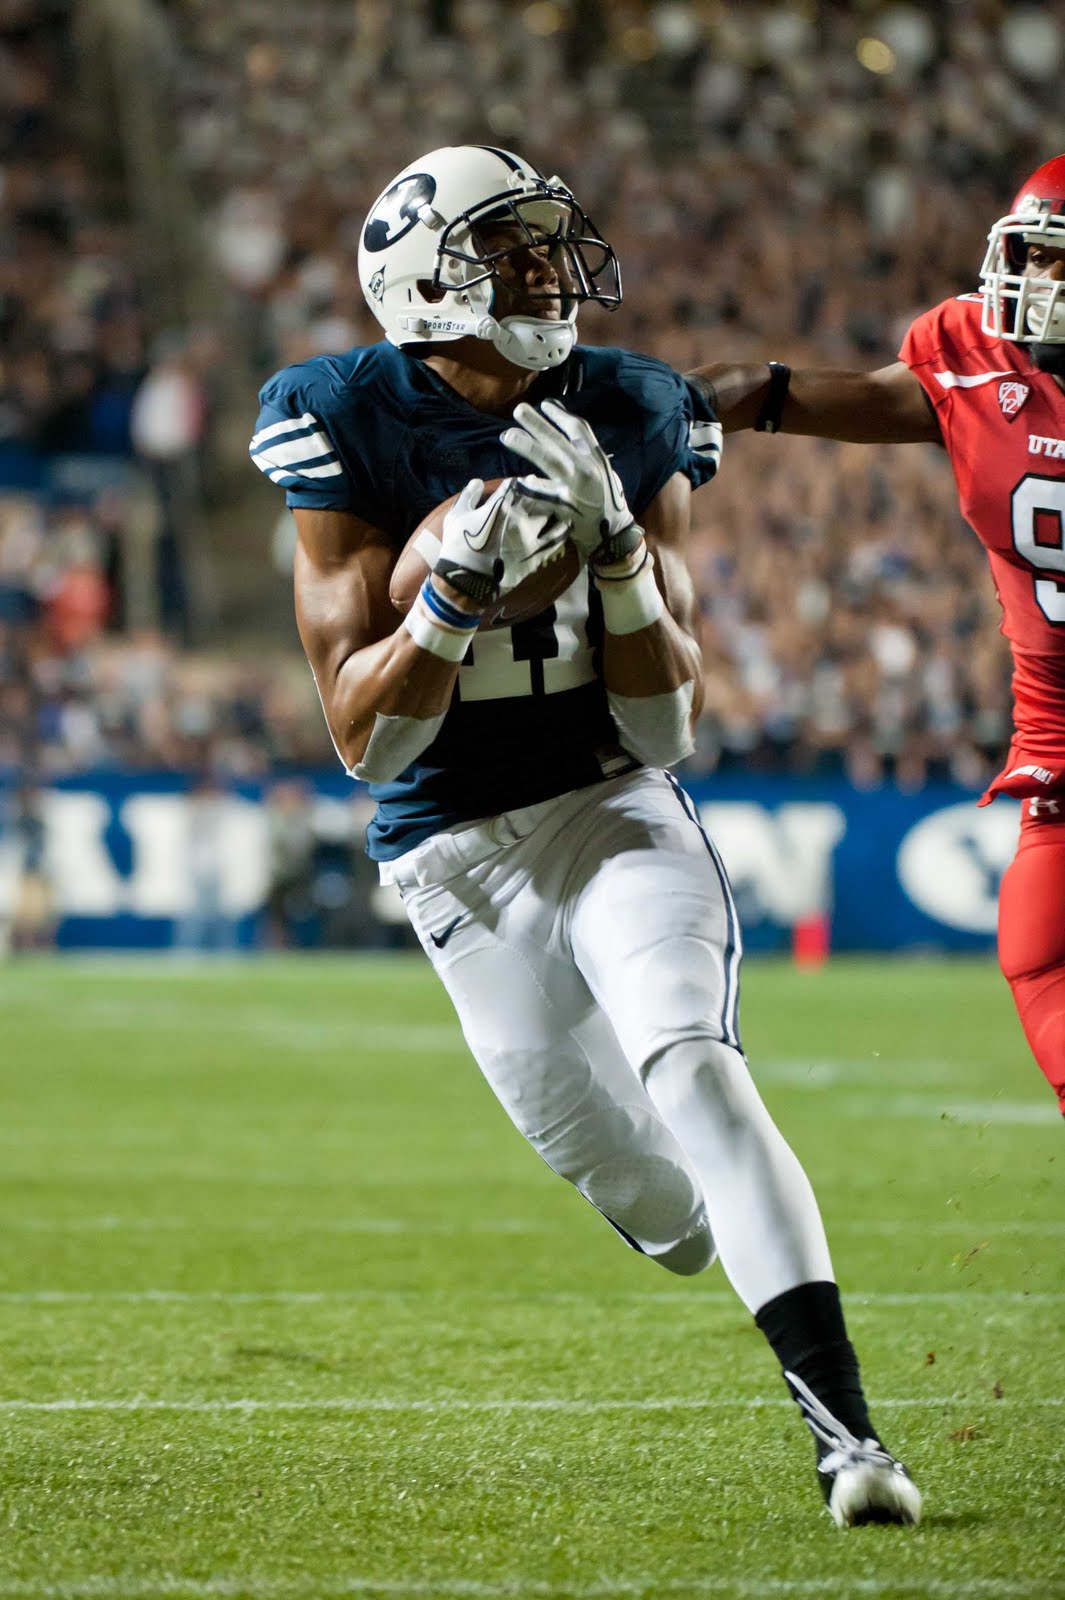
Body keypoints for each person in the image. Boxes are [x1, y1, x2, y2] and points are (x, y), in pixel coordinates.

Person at [251, 143, 921, 1527]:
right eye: (513, 249)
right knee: (658, 1210)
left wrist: (617, 555)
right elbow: (367, 743)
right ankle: (717, 1234)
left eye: (554, 244)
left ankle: (847, 1437)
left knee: (694, 1062)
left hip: (610, 801)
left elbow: (672, 730)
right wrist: (448, 601)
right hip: (451, 851)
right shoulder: (336, 417)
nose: (551, 272)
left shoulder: (631, 406)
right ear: (419, 279)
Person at [689, 153, 1065, 1119]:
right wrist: (744, 392)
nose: (1035, 282)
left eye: (1060, 263)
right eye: (1030, 255)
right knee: (1038, 949)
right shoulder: (976, 354)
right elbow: (888, 396)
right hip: (1056, 748)